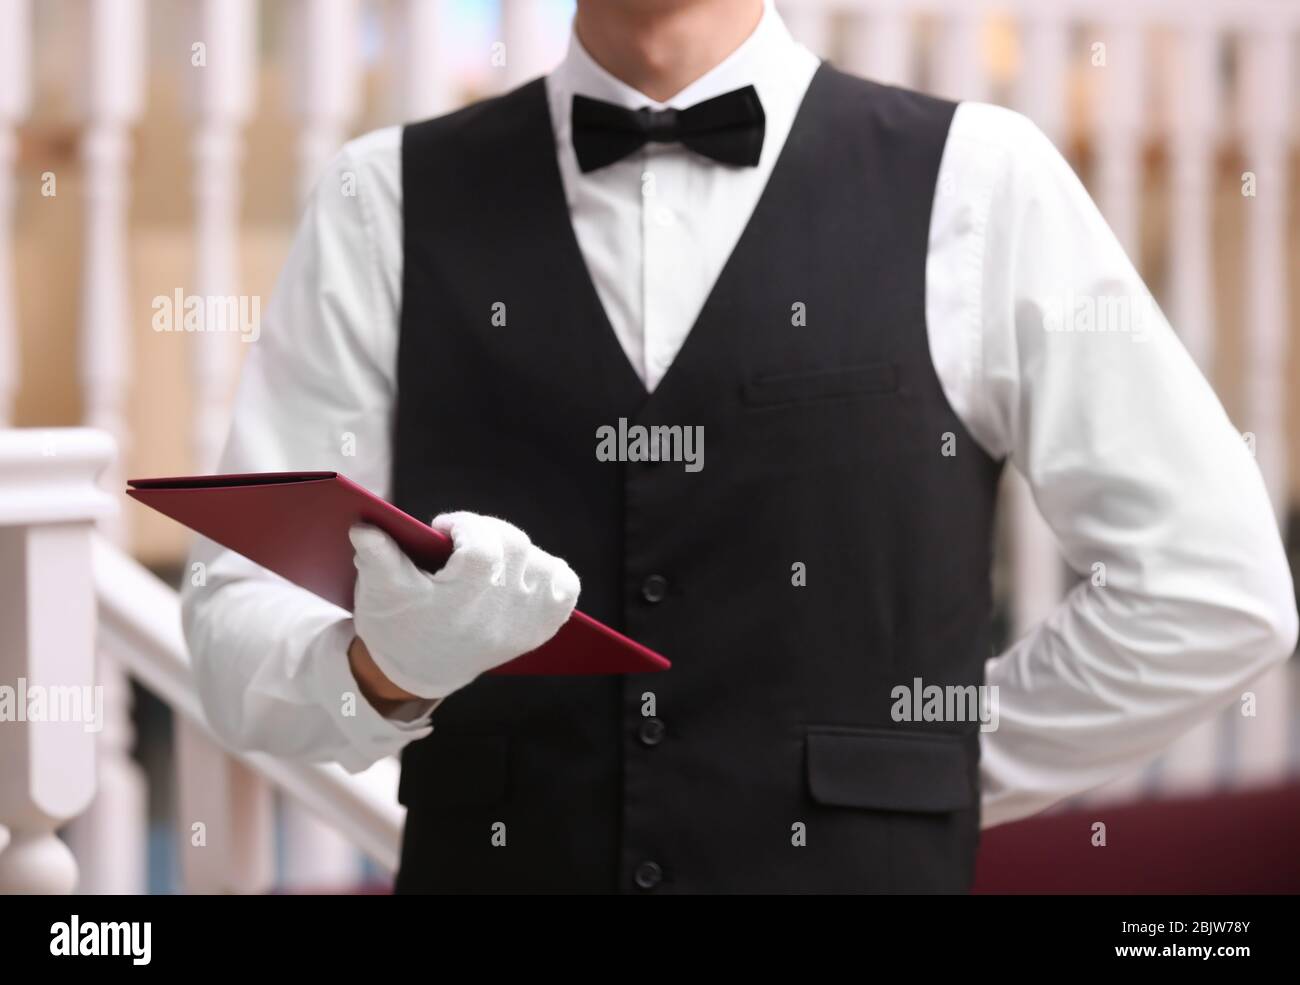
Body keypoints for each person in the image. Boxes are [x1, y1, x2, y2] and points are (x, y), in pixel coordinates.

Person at [181, 0, 1298, 893]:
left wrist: (917, 761)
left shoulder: (980, 179)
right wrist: (385, 668)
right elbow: (235, 620)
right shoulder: (380, 199)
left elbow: (1212, 590)